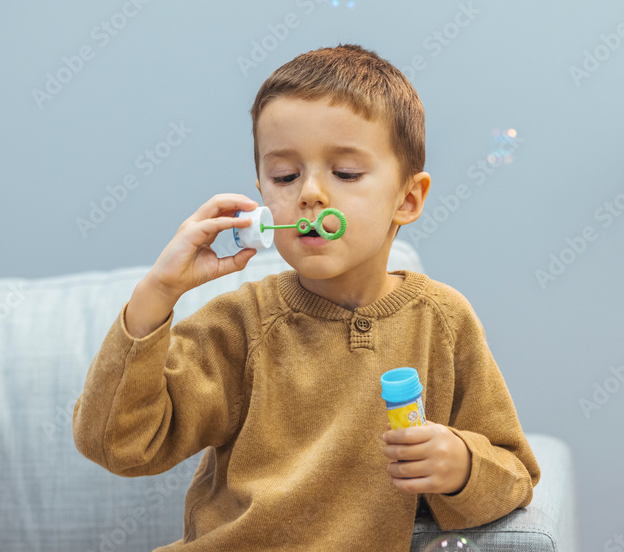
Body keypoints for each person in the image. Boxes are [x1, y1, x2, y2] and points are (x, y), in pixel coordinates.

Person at [73, 43, 540, 550]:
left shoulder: (443, 322)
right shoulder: (240, 324)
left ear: (407, 199)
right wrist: (158, 292)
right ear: (262, 197)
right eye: (285, 176)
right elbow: (119, 446)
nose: (310, 194)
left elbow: (515, 475)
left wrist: (462, 467)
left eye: (345, 173)